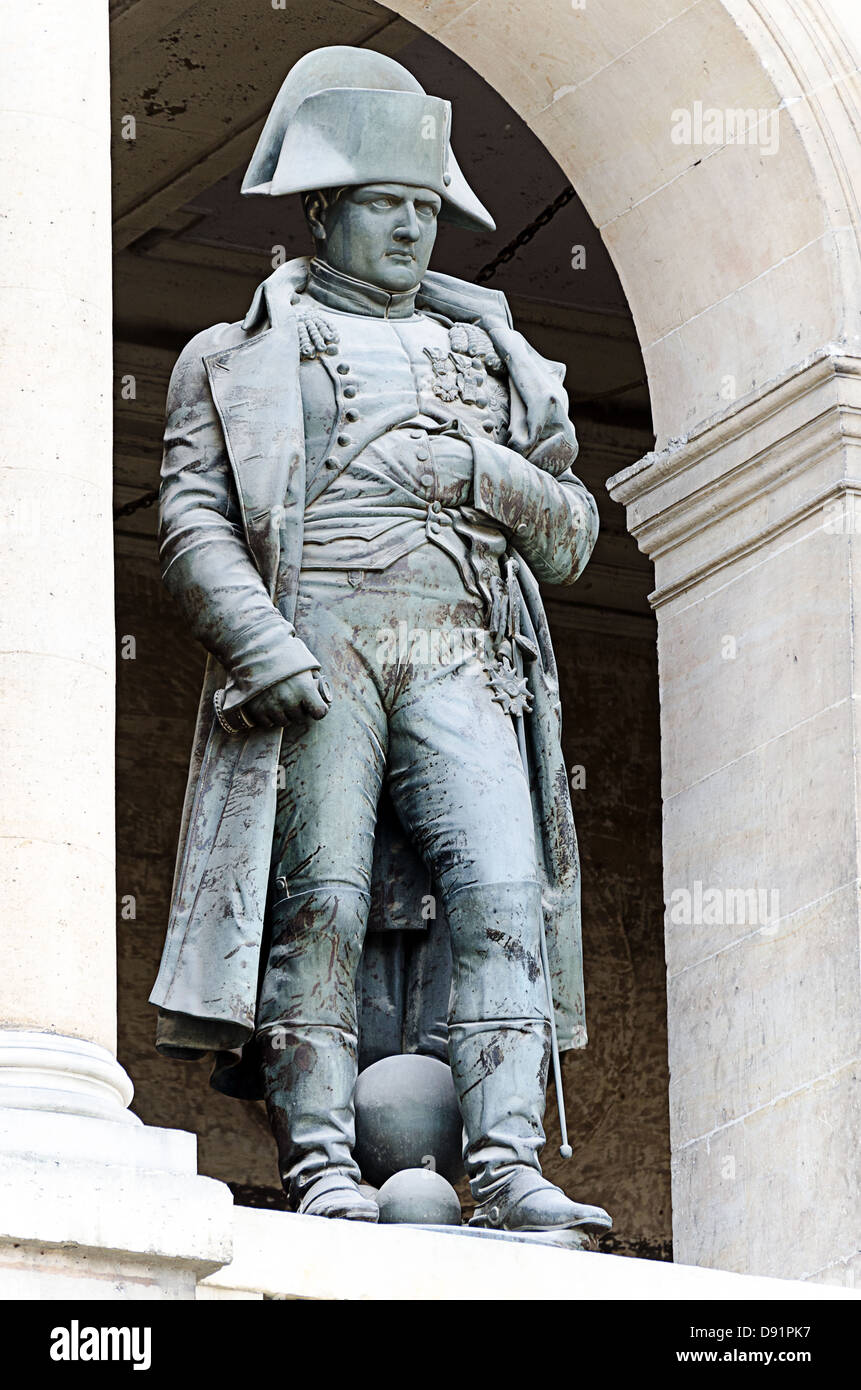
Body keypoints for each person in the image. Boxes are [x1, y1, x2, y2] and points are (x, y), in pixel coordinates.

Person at [150, 46, 611, 1235]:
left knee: (504, 894)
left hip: (466, 645)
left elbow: (570, 537)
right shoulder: (233, 354)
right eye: (387, 207)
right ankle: (319, 1159)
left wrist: (480, 470)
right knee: (324, 904)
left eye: (425, 210)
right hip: (321, 639)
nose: (413, 232)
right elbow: (194, 520)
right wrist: (262, 644)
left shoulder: (505, 366)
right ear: (325, 212)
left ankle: (508, 1163)